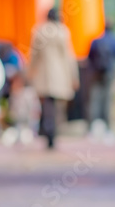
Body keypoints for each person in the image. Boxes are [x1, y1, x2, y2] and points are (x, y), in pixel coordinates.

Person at [27, 8, 80, 149]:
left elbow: (33, 54)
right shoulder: (62, 31)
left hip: (43, 74)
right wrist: (74, 77)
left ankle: (47, 129)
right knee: (57, 107)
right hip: (60, 74)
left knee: (46, 105)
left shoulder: (39, 31)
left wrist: (30, 71)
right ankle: (54, 132)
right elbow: (69, 56)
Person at [86, 22, 115, 135]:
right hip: (109, 72)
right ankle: (108, 128)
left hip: (95, 72)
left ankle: (92, 127)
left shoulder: (96, 41)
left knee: (94, 99)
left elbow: (89, 56)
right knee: (107, 99)